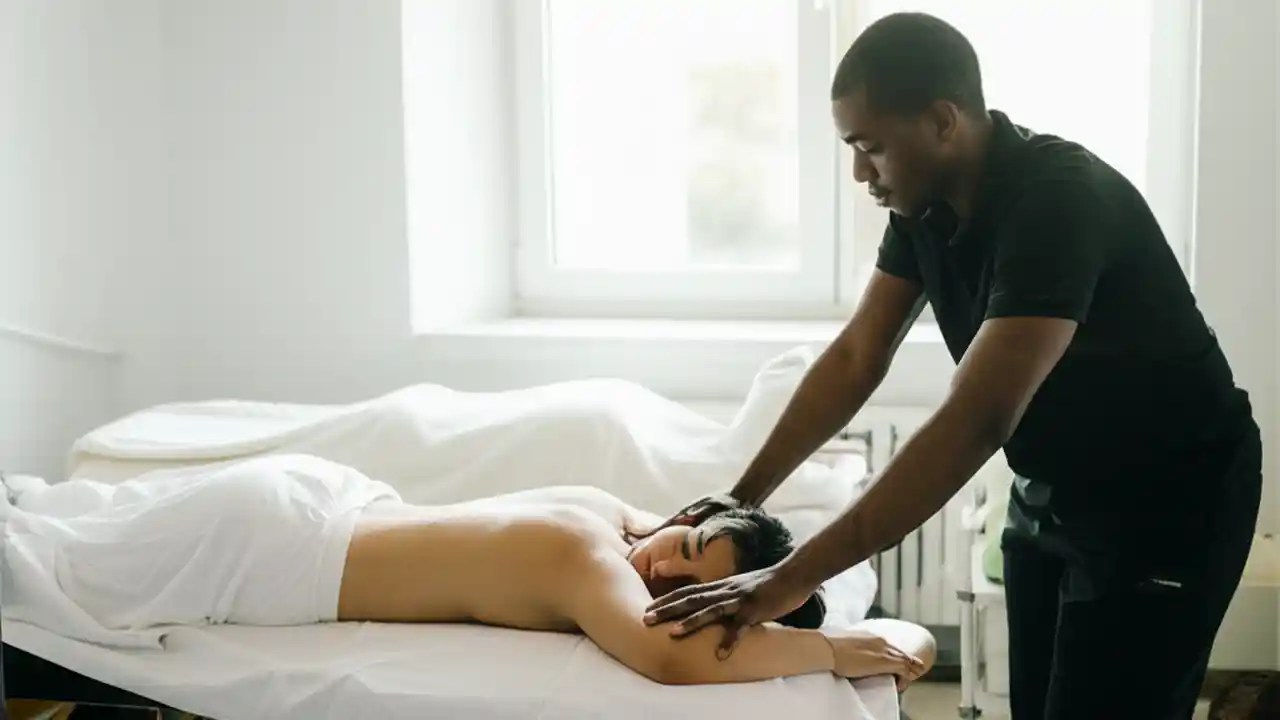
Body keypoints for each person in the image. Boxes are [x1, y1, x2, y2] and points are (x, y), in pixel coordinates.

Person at [644, 12, 1261, 719]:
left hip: (1168, 503)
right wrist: (739, 502)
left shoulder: (1058, 202)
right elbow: (857, 357)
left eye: (871, 148)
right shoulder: (922, 207)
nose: (860, 173)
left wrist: (791, 578)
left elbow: (977, 418)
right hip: (1055, 491)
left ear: (943, 121)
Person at [1, 456, 933, 689]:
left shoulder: (601, 508)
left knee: (53, 534)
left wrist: (811, 618)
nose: (658, 586)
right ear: (687, 518)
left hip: (309, 506)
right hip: (276, 547)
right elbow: (666, 659)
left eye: (683, 593)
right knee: (47, 574)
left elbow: (686, 619)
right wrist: (838, 649)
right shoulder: (585, 556)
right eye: (681, 557)